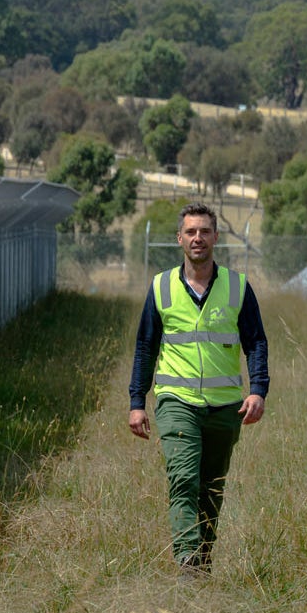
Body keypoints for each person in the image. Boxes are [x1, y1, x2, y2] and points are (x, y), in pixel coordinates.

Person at [128, 202, 269, 578]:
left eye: (205, 231)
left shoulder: (238, 287)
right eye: (190, 231)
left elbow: (256, 342)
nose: (197, 238)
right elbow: (145, 346)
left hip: (226, 407)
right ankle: (188, 561)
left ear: (216, 237)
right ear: (179, 238)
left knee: (211, 488)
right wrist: (137, 402)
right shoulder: (161, 287)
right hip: (176, 402)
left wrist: (258, 390)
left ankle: (203, 563)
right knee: (184, 479)